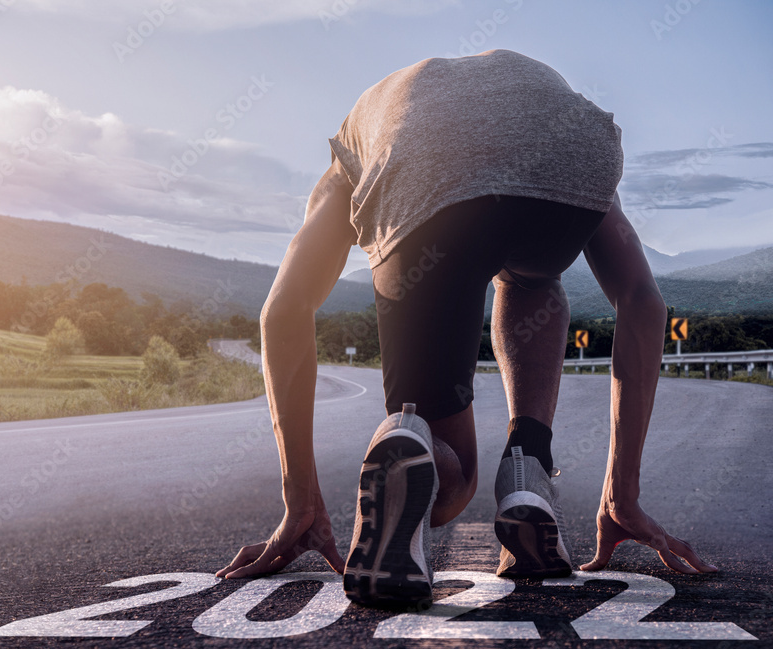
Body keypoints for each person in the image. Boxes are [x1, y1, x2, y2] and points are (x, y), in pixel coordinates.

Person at [216, 50, 718, 607]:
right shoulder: (517, 96)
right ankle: (529, 469)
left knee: (452, 478)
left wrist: (301, 502)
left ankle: (417, 443)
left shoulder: (353, 151)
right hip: (571, 150)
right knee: (533, 275)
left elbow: (284, 310)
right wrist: (623, 496)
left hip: (425, 163)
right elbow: (643, 301)